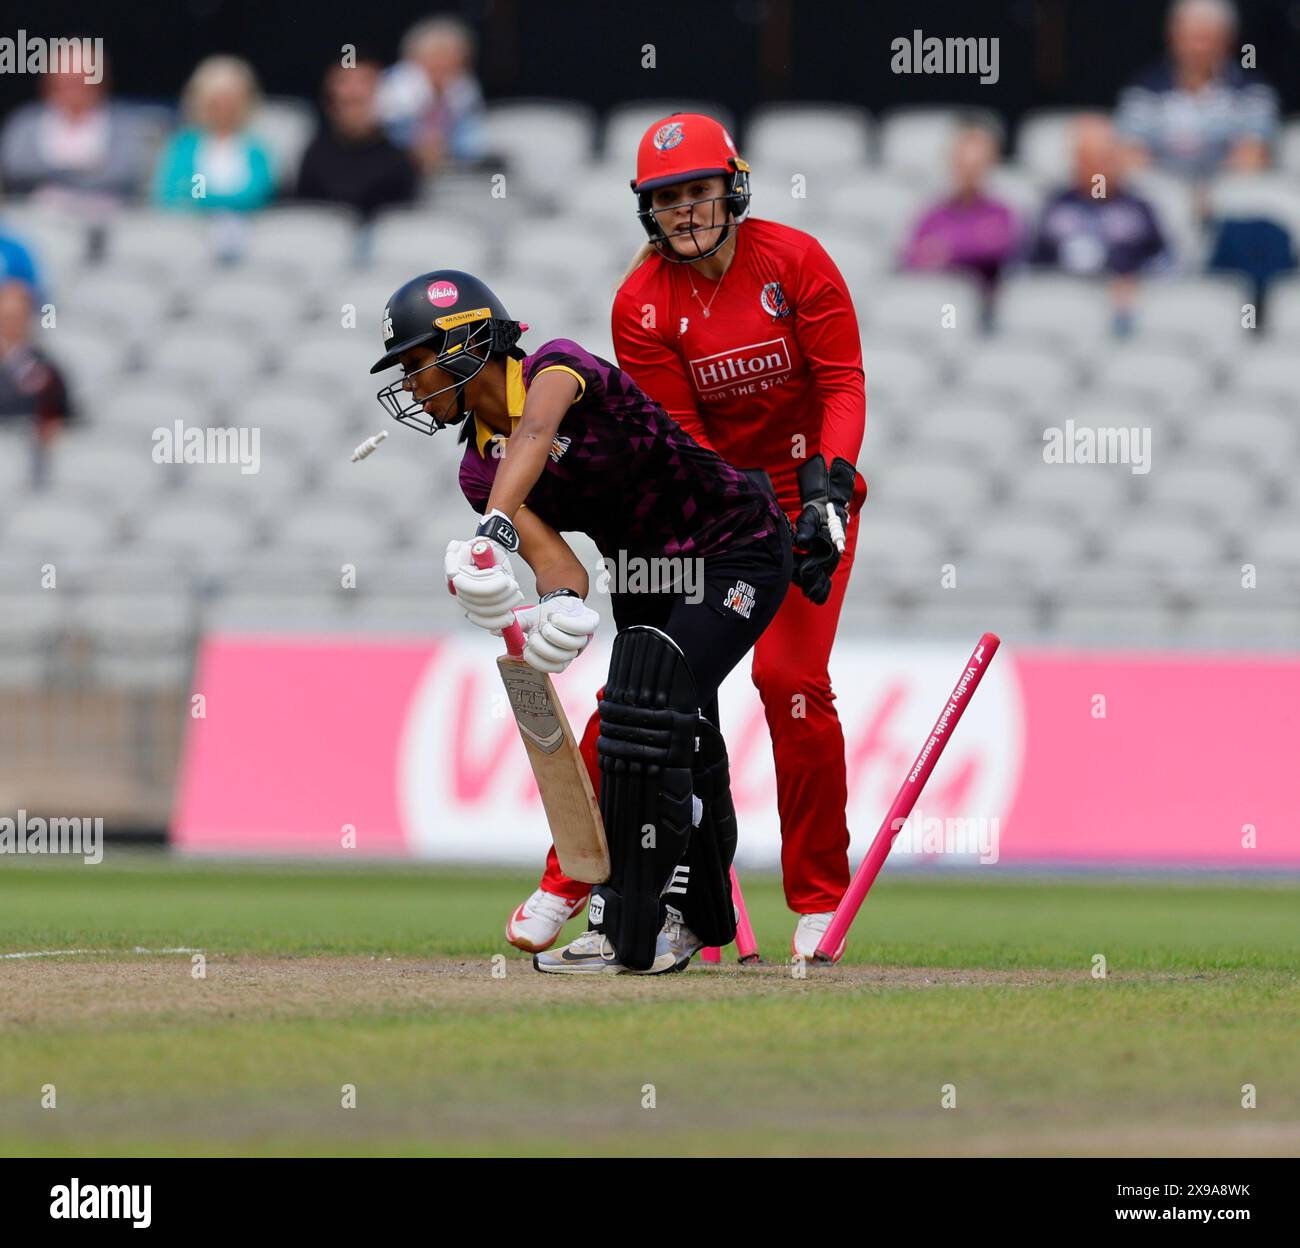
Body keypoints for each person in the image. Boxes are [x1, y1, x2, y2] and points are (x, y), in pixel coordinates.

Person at [504, 113, 868, 962]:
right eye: (668, 198)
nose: (686, 211)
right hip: (710, 508)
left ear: (733, 187)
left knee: (791, 681)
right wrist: (747, 518)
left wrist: (831, 491)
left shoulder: (796, 261)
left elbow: (842, 383)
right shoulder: (641, 303)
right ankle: (576, 875)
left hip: (811, 495)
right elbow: (684, 440)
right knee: (651, 688)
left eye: (699, 190)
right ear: (648, 208)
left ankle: (820, 897)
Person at [370, 268, 792, 974]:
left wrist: (492, 531)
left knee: (638, 712)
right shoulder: (478, 472)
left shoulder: (558, 367)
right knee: (675, 739)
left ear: (466, 343)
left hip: (735, 546)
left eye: (416, 363)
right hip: (644, 582)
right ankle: (692, 920)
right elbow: (561, 569)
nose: (411, 386)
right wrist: (552, 609)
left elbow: (537, 431)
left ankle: (592, 898)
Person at [1116, 0, 1278, 183]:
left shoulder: (1252, 92)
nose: (1198, 48)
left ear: (1227, 40)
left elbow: (1253, 156)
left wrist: (1209, 190)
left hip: (1229, 190)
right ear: (1172, 36)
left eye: (1207, 39)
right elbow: (1131, 156)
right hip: (1162, 190)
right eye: (1190, 38)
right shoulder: (1144, 90)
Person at [1030, 114, 1171, 320]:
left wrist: (1138, 279)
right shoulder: (1054, 208)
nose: (1099, 168)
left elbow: (1166, 262)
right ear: (1076, 161)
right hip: (1063, 307)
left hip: (1125, 311)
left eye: (1106, 158)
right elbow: (1031, 265)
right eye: (1089, 158)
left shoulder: (1139, 209)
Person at [0, 49, 153, 212]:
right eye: (66, 82)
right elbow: (14, 167)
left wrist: (57, 172)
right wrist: (86, 168)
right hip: (34, 217)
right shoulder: (25, 123)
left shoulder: (127, 125)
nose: (74, 90)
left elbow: (129, 171)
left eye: (81, 81)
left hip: (111, 217)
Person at [901, 119, 1020, 294]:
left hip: (983, 301)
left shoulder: (1001, 213)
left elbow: (998, 251)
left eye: (976, 165)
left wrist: (945, 250)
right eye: (963, 163)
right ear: (951, 162)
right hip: (936, 297)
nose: (969, 172)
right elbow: (912, 259)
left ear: (989, 164)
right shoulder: (931, 215)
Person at [296, 59, 417, 220]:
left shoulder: (399, 160)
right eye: (348, 103)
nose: (354, 90)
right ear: (330, 103)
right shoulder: (314, 155)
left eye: (360, 103)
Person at [152, 56, 276, 214]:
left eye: (230, 101)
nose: (223, 109)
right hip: (192, 226)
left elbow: (258, 194)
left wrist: (206, 200)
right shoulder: (184, 146)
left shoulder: (257, 149)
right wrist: (208, 201)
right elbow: (175, 192)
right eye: (216, 102)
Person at [377, 16, 487, 173]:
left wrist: (445, 148)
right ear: (413, 59)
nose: (442, 65)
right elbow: (383, 135)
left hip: (449, 170)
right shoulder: (389, 86)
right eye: (434, 59)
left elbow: (471, 140)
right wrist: (417, 145)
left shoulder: (465, 90)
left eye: (451, 61)